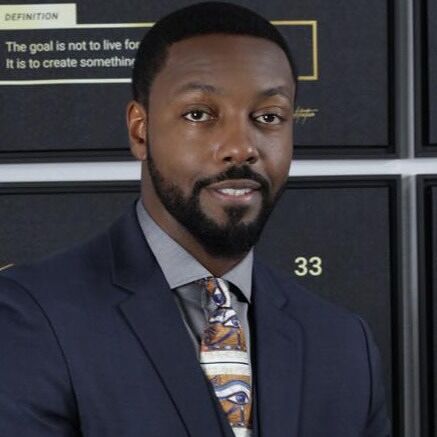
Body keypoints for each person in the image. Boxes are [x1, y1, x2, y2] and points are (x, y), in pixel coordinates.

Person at [0, 2, 391, 436]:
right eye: (199, 114)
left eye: (268, 117)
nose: (240, 147)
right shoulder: (31, 317)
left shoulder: (343, 345)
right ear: (140, 130)